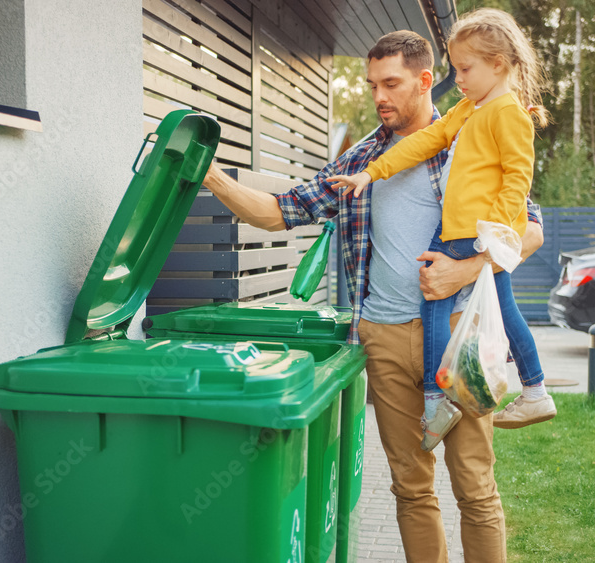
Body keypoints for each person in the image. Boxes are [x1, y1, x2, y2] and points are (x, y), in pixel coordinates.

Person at [202, 30, 543, 562]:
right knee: (411, 488)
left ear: (426, 80)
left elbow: (530, 229)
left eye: (391, 84)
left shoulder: (472, 132)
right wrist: (213, 177)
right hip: (382, 338)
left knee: (474, 488)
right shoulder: (361, 160)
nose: (379, 96)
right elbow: (278, 211)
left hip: (457, 334)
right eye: (372, 85)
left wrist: (463, 271)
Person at [327, 8, 557, 447]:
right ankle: (533, 390)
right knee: (501, 308)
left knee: (434, 302)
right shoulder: (469, 109)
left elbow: (517, 178)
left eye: (466, 69)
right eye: (456, 69)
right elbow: (424, 141)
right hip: (462, 229)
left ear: (499, 64)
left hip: (473, 232)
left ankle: (441, 401)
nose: (460, 78)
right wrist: (371, 173)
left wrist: (497, 234)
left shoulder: (509, 114)